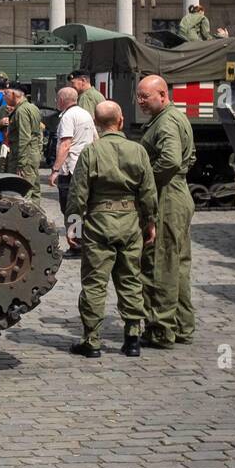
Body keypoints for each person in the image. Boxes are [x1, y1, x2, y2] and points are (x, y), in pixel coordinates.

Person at [67, 100, 158, 358]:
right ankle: (132, 338)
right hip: (130, 221)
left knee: (95, 283)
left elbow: (77, 194)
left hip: (99, 222)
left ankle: (92, 341)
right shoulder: (138, 151)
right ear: (120, 121)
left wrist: (73, 225)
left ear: (96, 123)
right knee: (130, 279)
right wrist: (150, 221)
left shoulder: (91, 152)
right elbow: (148, 191)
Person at [135, 73, 196, 347]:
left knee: (160, 264)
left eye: (145, 96)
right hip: (177, 193)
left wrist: (147, 181)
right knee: (178, 263)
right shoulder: (172, 117)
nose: (140, 102)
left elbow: (170, 160)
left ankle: (161, 329)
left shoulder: (167, 122)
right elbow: (189, 157)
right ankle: (182, 325)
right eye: (139, 96)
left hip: (168, 196)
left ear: (162, 94)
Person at [50, 85, 97, 255]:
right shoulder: (85, 114)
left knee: (70, 208)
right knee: (83, 207)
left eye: (57, 99)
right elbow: (95, 139)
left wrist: (55, 169)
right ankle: (85, 241)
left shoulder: (68, 117)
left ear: (62, 100)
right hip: (85, 167)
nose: (56, 102)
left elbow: (65, 144)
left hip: (70, 170)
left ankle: (76, 244)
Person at [2, 86, 44, 201]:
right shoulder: (33, 107)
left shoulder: (21, 111)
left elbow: (24, 137)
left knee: (22, 192)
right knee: (34, 189)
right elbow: (38, 133)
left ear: (14, 95)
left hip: (24, 156)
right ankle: (35, 215)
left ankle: (25, 217)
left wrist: (21, 163)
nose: (4, 97)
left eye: (6, 94)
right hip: (32, 153)